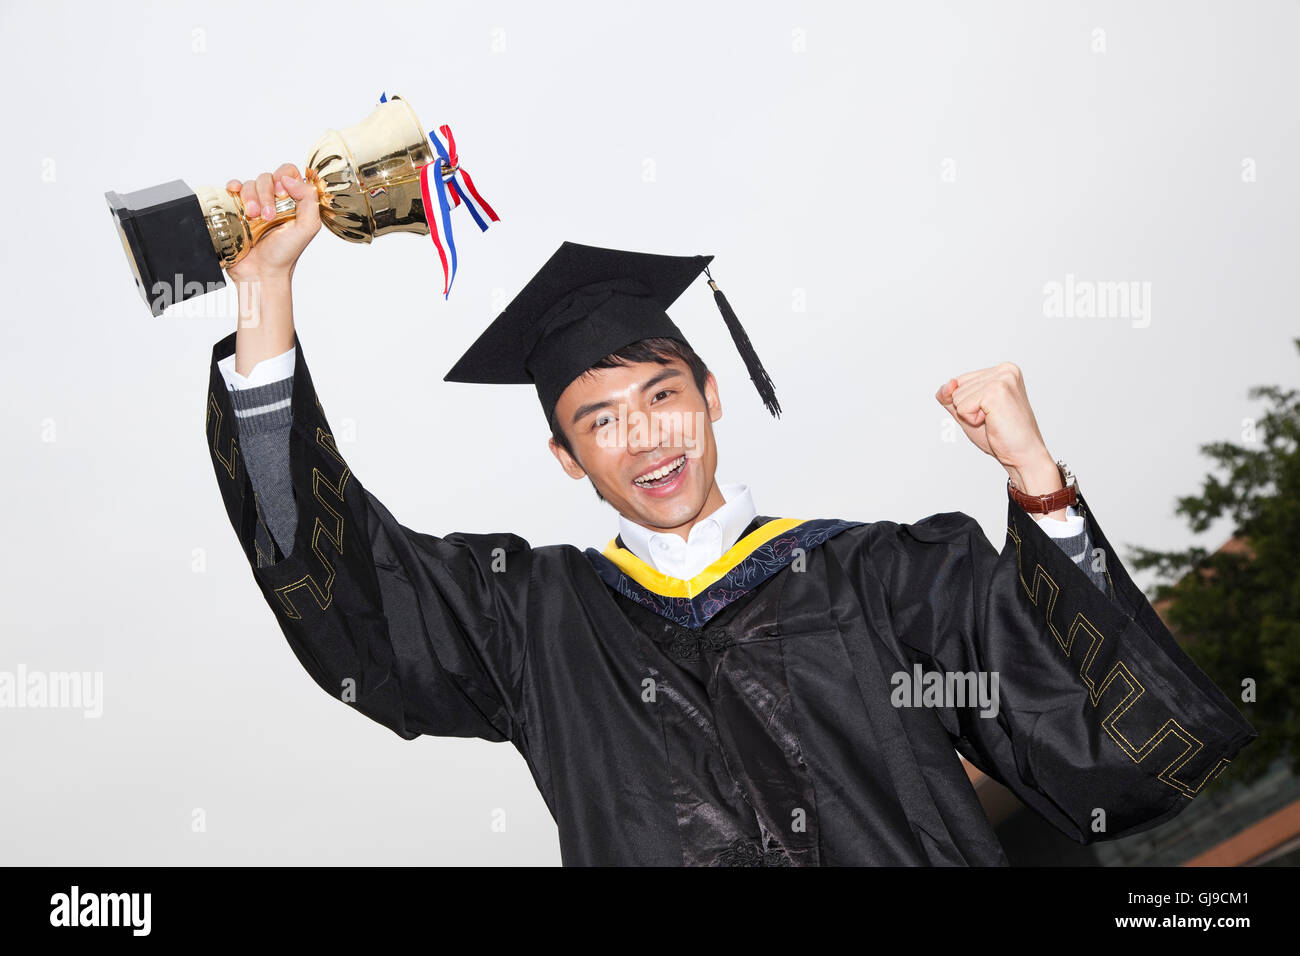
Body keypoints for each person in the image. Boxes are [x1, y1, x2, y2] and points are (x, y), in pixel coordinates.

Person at [203, 164, 1257, 866]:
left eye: (662, 396)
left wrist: (1036, 477)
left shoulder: (883, 580)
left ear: (711, 394)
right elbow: (348, 589)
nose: (646, 436)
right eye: (600, 420)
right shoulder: (535, 625)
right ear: (566, 459)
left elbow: (1102, 747)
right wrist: (265, 295)